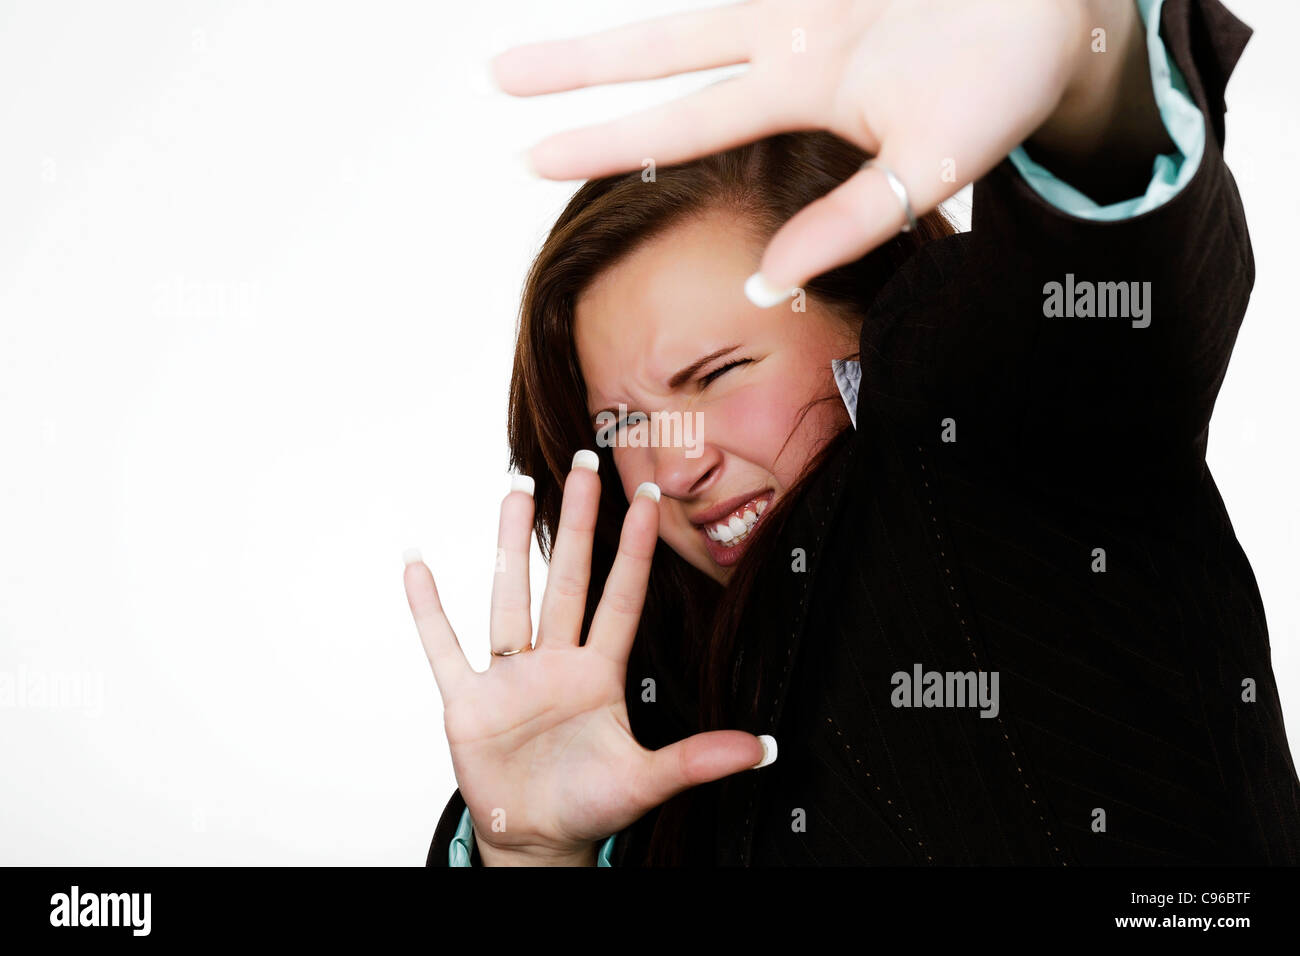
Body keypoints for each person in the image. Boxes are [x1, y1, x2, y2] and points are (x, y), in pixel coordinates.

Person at [405, 0, 1300, 865]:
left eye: (718, 375)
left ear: (872, 324)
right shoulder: (621, 741)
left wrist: (1083, 62)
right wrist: (532, 855)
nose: (674, 465)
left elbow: (1103, 313)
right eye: (624, 420)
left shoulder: (991, 459)